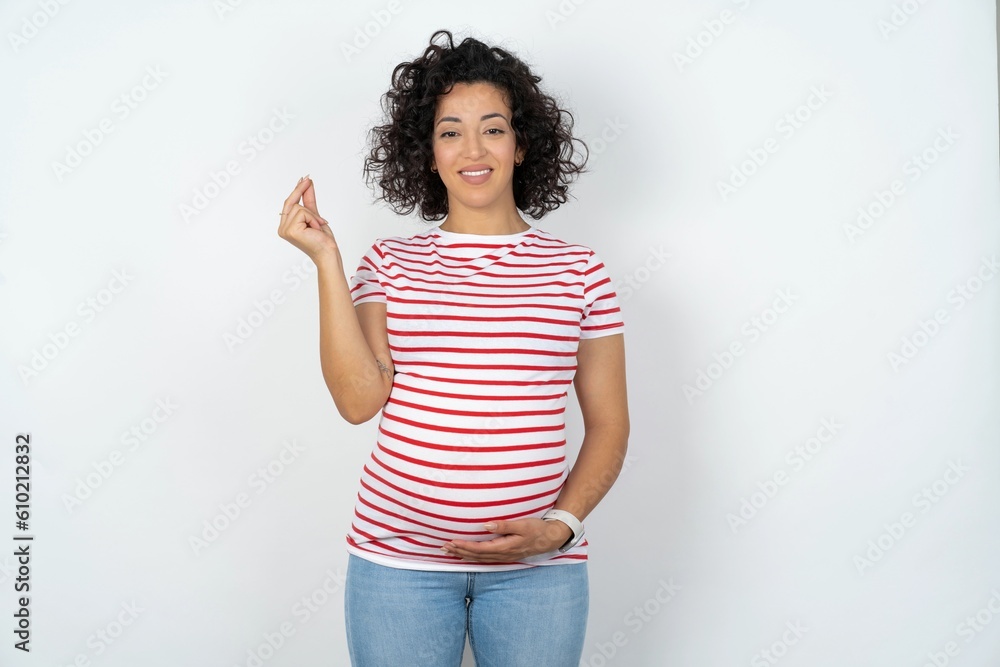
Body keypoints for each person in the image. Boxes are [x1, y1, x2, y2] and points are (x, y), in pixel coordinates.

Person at [277, 28, 629, 667]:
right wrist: (326, 259)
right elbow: (359, 402)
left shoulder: (580, 271)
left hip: (539, 571)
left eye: (493, 129)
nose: (474, 149)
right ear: (428, 153)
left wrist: (563, 526)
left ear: (523, 145)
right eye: (450, 131)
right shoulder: (387, 263)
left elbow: (609, 425)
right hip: (397, 566)